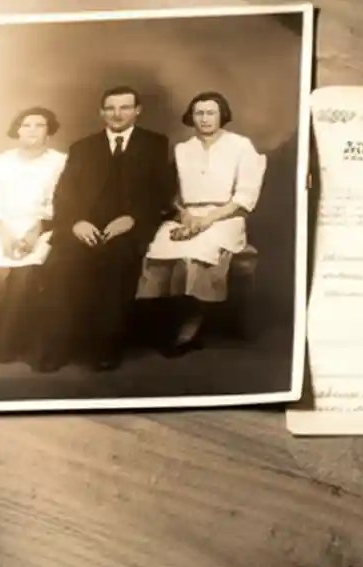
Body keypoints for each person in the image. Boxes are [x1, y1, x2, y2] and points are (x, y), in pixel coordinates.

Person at [34, 85, 173, 372]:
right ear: (101, 112)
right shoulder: (82, 147)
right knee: (61, 265)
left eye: (124, 107)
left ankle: (105, 347)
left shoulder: (155, 143)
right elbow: (65, 193)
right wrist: (76, 222)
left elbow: (159, 192)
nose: (117, 114)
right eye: (110, 108)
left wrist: (132, 219)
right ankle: (57, 346)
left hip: (127, 227)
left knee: (115, 264)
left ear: (137, 111)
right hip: (82, 226)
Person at [139, 91, 267, 353]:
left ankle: (190, 327)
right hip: (187, 216)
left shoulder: (241, 146)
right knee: (158, 249)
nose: (205, 118)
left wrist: (207, 220)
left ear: (222, 115)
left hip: (225, 217)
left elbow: (245, 195)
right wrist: (184, 215)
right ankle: (164, 322)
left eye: (211, 112)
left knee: (197, 254)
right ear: (191, 116)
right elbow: (171, 193)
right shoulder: (183, 149)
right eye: (199, 113)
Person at [0, 107, 67, 364]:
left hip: (41, 227)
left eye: (39, 125)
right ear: (16, 130)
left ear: (49, 131)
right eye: (26, 125)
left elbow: (60, 203)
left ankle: (9, 345)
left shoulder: (61, 161)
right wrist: (5, 237)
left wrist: (34, 232)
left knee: (25, 273)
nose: (31, 131)